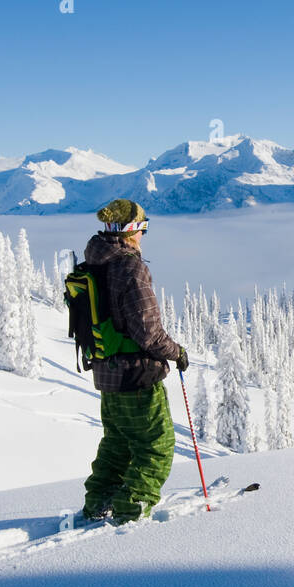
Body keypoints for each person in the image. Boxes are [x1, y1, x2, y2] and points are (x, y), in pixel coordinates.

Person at [80, 199, 188, 523]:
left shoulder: (93, 263)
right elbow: (149, 333)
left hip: (107, 377)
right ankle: (131, 511)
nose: (144, 234)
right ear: (131, 230)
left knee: (117, 444)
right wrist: (177, 353)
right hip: (137, 378)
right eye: (143, 227)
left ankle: (98, 502)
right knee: (157, 445)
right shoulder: (130, 267)